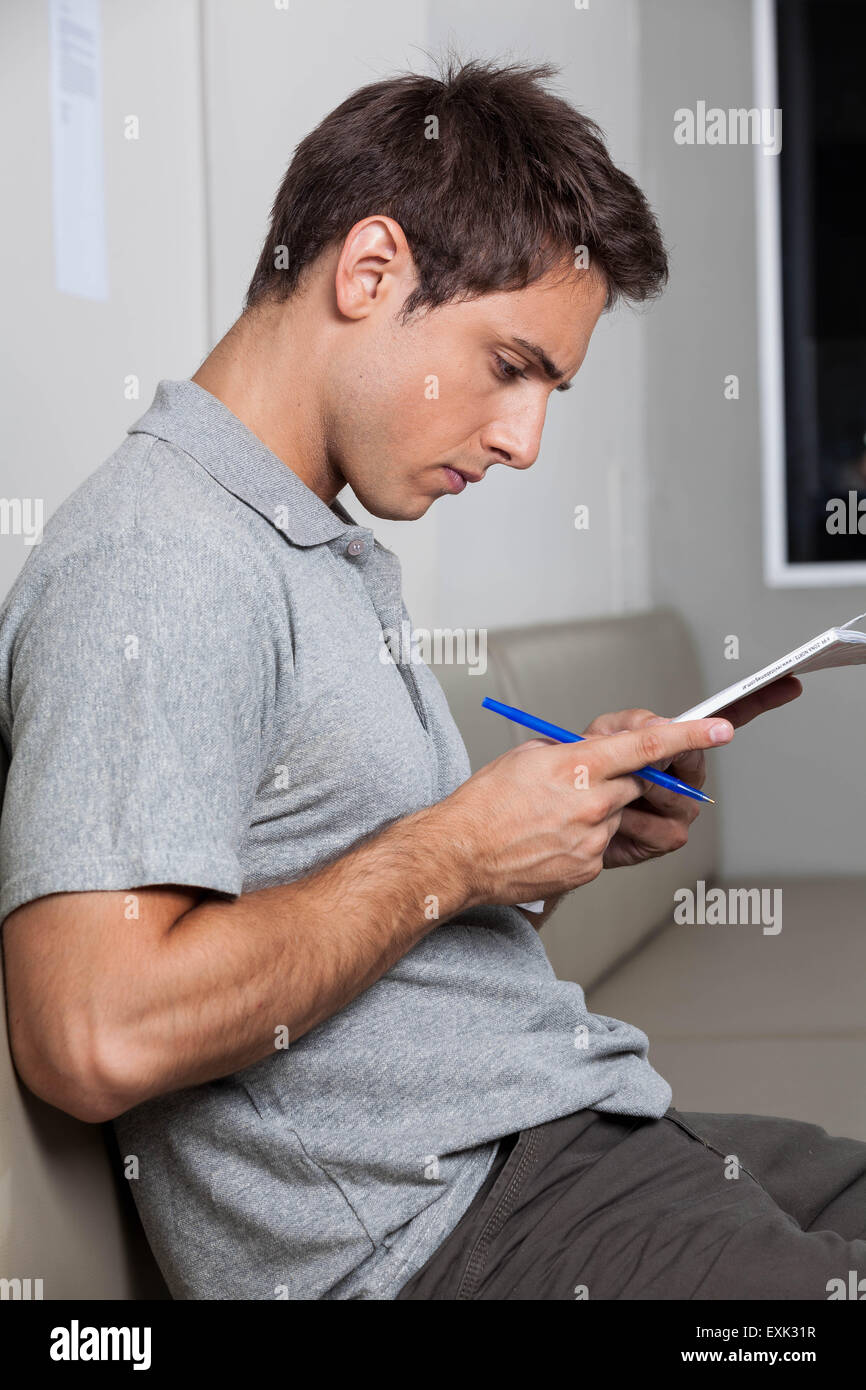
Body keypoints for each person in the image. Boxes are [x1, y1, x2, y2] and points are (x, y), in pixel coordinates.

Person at [1, 58, 861, 1302]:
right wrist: (456, 850)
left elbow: (377, 945)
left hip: (565, 1125)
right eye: (510, 367)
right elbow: (94, 1031)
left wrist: (551, 842)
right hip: (458, 1231)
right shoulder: (157, 558)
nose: (521, 441)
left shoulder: (316, 543)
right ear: (369, 272)